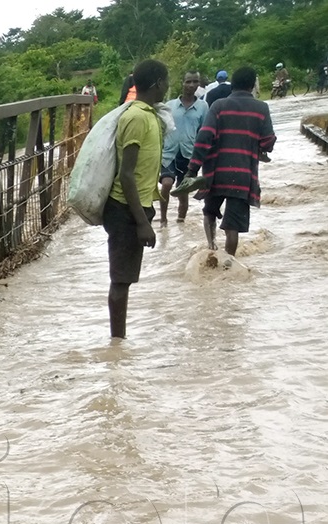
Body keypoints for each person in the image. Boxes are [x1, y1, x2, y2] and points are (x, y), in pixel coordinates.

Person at [103, 59, 169, 341]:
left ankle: (119, 343)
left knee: (125, 279)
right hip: (125, 209)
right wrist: (142, 223)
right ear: (158, 83)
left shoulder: (149, 115)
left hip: (135, 206)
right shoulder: (137, 118)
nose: (168, 86)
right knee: (120, 280)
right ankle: (117, 345)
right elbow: (127, 175)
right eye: (167, 81)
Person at [187, 66, 277, 261]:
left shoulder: (218, 106)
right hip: (243, 176)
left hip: (215, 173)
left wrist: (193, 169)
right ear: (252, 86)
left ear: (232, 84)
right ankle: (229, 264)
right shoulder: (261, 108)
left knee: (209, 211)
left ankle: (211, 248)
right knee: (232, 227)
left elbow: (204, 137)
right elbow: (268, 141)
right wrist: (258, 146)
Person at [158, 71, 206, 225]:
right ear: (182, 83)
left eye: (195, 81)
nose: (191, 85)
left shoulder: (203, 107)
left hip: (188, 154)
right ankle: (163, 220)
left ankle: (181, 221)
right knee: (166, 184)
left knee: (183, 189)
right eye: (188, 81)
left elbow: (204, 132)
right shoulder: (169, 106)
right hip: (169, 153)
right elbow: (161, 128)